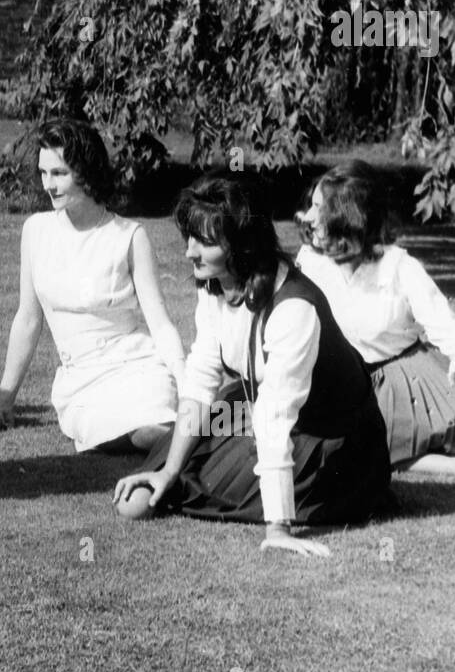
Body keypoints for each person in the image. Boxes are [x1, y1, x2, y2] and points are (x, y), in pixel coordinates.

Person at [113, 172, 391, 558]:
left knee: (212, 481)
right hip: (255, 408)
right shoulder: (216, 285)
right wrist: (169, 469)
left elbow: (276, 416)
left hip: (331, 439)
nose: (189, 253)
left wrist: (278, 529)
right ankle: (176, 479)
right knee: (178, 460)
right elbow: (201, 379)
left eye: (204, 241)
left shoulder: (294, 307)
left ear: (241, 242)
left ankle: (247, 496)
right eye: (189, 238)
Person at [295, 160, 455, 480]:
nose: (308, 217)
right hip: (341, 382)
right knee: (323, 447)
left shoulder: (400, 268)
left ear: (347, 216)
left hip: (401, 382)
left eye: (319, 208)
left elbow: (454, 337)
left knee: (362, 450)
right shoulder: (310, 260)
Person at [0, 119, 185, 453]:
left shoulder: (129, 235)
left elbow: (160, 323)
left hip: (138, 368)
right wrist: (5, 399)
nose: (48, 184)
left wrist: (185, 382)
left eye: (59, 173)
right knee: (112, 432)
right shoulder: (36, 231)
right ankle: (188, 440)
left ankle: (194, 438)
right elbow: (28, 319)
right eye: (43, 172)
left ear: (86, 172)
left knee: (153, 424)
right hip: (81, 382)